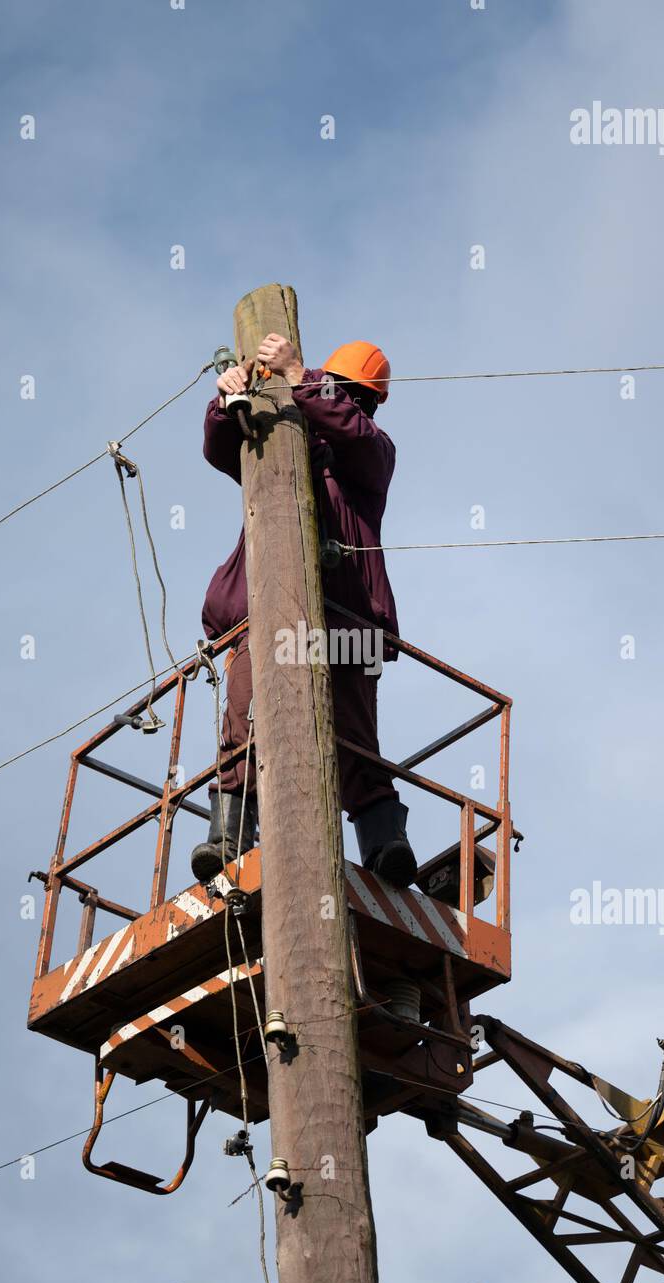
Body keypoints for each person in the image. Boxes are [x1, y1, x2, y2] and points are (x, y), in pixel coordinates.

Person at [191, 332, 418, 889]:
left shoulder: (371, 455)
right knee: (243, 725)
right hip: (263, 619)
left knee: (356, 739)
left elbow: (355, 433)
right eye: (344, 393)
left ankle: (386, 846)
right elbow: (222, 446)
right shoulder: (279, 444)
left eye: (353, 398)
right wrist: (228, 401)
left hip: (346, 621)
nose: (348, 405)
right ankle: (229, 838)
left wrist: (300, 377)